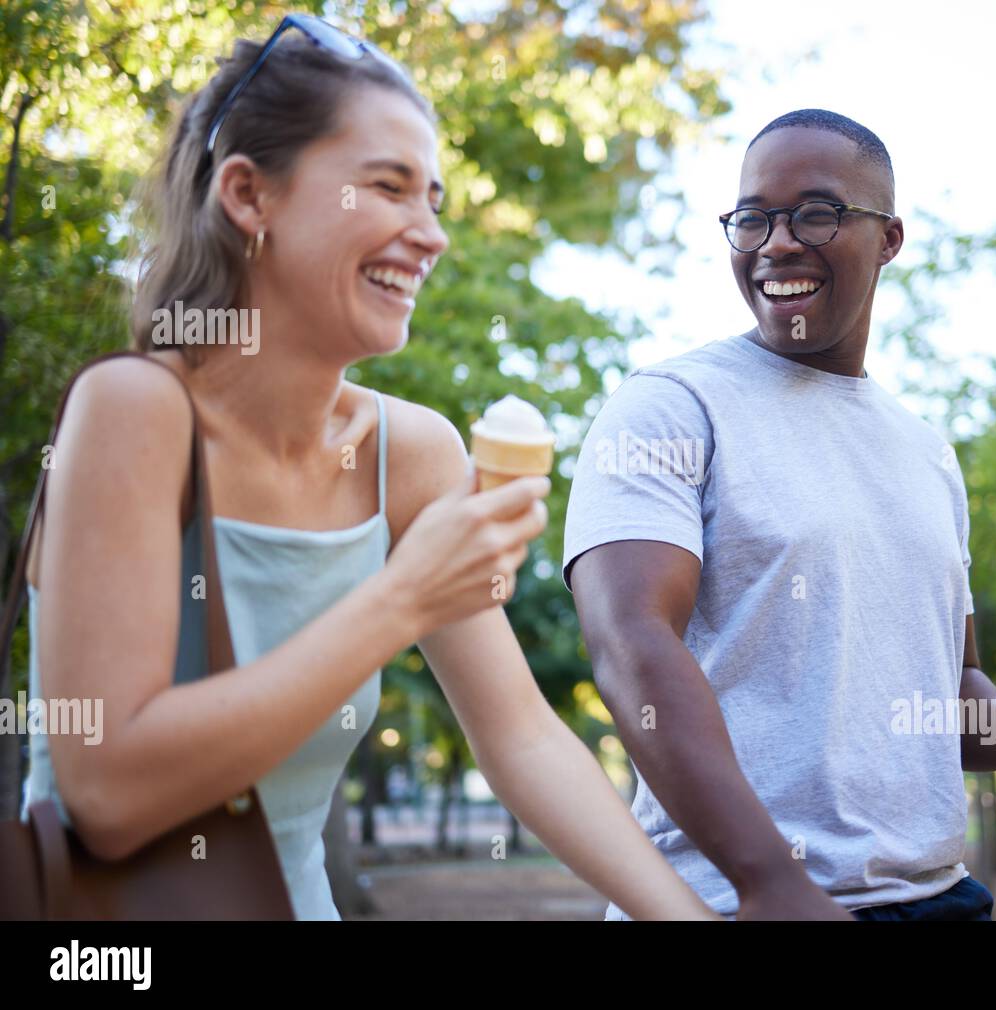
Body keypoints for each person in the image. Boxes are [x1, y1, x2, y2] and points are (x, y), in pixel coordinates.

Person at [20, 14, 716, 921]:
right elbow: (107, 796)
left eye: (433, 199)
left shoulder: (413, 453)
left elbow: (521, 740)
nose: (429, 234)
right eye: (387, 189)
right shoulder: (134, 411)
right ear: (248, 195)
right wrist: (402, 600)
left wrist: (690, 919)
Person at [563, 108, 996, 921]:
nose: (777, 243)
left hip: (939, 899)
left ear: (889, 238)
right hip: (733, 904)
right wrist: (770, 881)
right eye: (752, 218)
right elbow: (630, 644)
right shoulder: (670, 408)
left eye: (817, 213)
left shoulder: (927, 452)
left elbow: (944, 691)